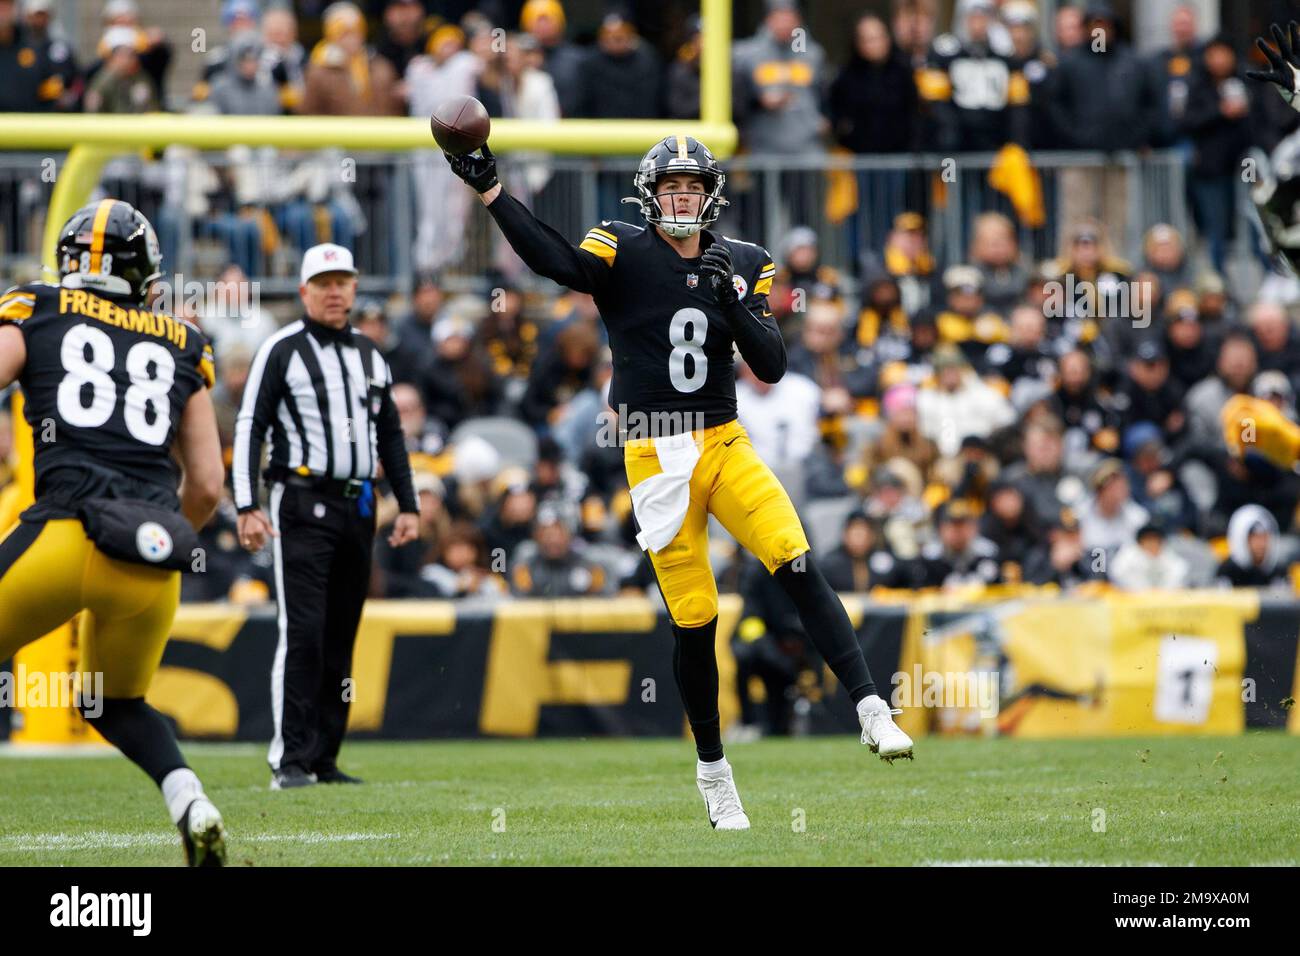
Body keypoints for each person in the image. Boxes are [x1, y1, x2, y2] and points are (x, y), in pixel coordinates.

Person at [444, 133, 913, 831]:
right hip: (654, 453)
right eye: (671, 189)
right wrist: (490, 189)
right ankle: (715, 771)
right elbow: (556, 262)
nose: (682, 199)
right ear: (651, 196)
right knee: (696, 621)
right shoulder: (622, 246)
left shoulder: (745, 261)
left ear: (711, 194)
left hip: (723, 441)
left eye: (692, 187)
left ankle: (871, 707)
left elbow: (774, 365)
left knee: (796, 556)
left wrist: (732, 301)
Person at [0, 199, 227, 865]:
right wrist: (156, 537)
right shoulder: (181, 339)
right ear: (144, 276)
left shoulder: (36, 306)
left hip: (64, 534)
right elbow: (209, 483)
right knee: (114, 702)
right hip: (149, 555)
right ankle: (192, 800)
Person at [232, 243, 420, 790]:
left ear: (356, 287)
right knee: (304, 631)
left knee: (342, 633)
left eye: (343, 281)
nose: (335, 291)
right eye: (324, 282)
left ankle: (323, 757)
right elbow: (251, 426)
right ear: (304, 291)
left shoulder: (370, 354)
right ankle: (289, 759)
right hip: (301, 500)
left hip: (359, 503)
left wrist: (407, 503)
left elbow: (390, 435)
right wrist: (245, 504)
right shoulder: (282, 349)